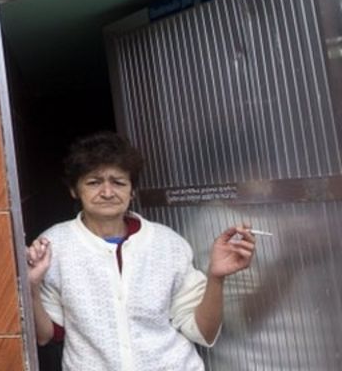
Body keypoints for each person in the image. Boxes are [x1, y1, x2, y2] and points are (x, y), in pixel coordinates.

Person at [25, 132, 256, 370]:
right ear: (75, 190)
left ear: (132, 191)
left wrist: (216, 277)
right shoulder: (53, 244)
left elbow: (203, 333)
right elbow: (46, 334)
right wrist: (31, 285)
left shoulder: (167, 243)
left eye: (119, 182)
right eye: (94, 182)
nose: (107, 192)